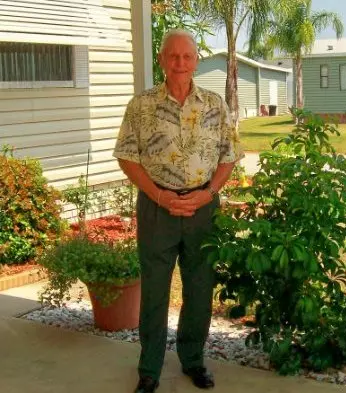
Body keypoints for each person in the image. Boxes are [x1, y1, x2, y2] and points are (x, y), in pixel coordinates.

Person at [113, 28, 243, 393]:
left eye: (187, 57)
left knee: (200, 289)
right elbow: (127, 157)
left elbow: (228, 157)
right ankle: (149, 369)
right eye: (173, 56)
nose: (180, 63)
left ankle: (193, 360)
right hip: (157, 207)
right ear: (162, 60)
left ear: (196, 61)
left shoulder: (216, 105)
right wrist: (158, 195)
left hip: (202, 207)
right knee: (154, 291)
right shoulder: (141, 105)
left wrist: (209, 193)